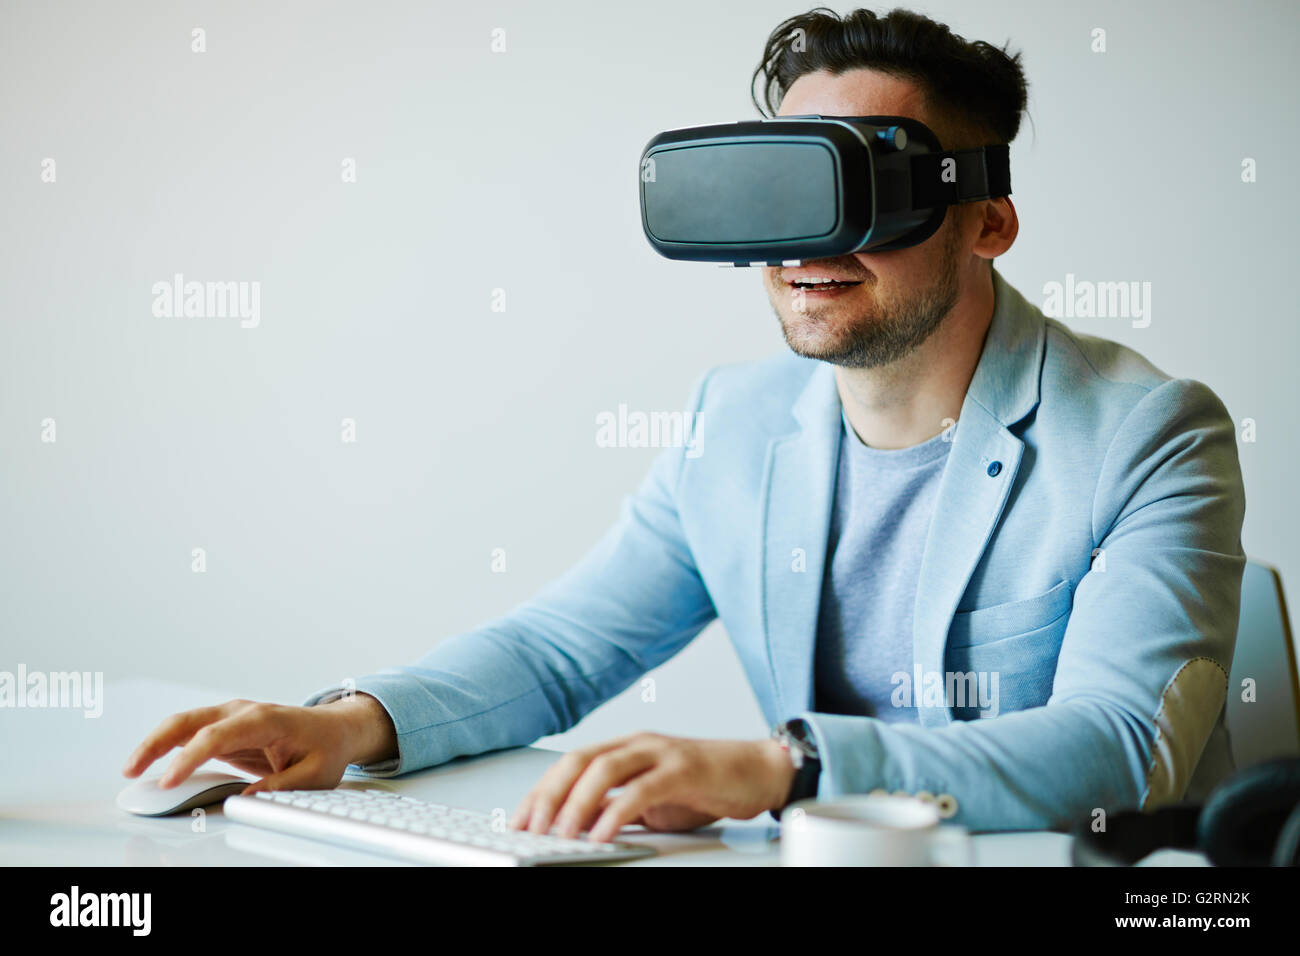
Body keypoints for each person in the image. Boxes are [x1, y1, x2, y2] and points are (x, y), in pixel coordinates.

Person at [123, 7, 1246, 844]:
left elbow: (1121, 747)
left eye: (868, 195)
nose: (808, 249)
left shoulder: (1148, 434)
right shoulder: (736, 422)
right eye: (786, 193)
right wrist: (351, 722)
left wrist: (782, 768)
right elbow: (563, 648)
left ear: (986, 218)